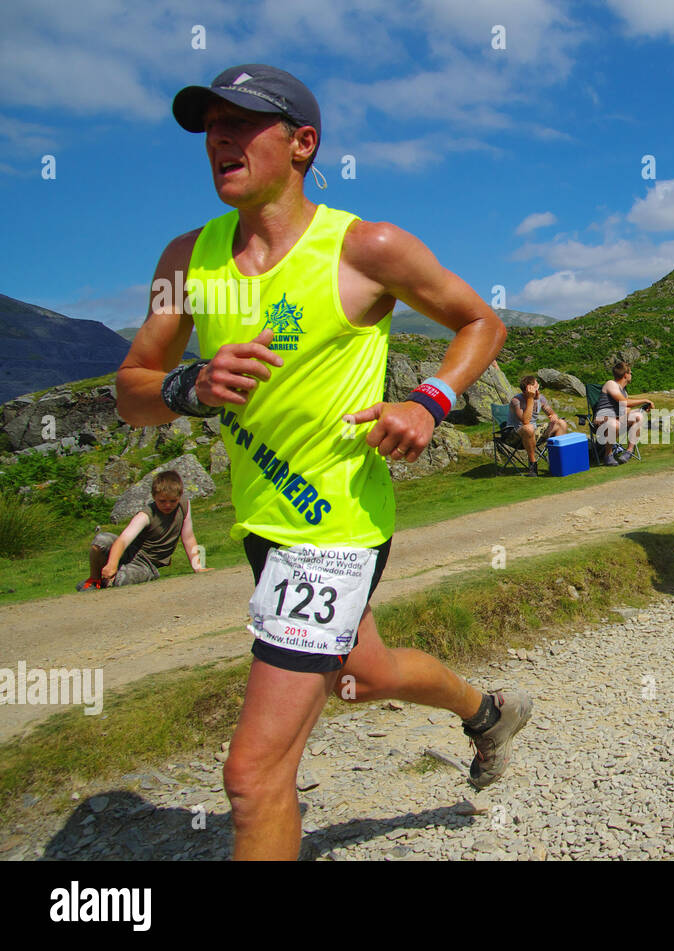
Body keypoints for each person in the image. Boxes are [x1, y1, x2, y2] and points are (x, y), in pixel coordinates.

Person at [117, 64, 531, 860]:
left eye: (242, 123)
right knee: (365, 674)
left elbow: (480, 321)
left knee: (253, 773)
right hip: (262, 524)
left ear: (302, 143)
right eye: (210, 125)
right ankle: (488, 711)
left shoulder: (363, 246)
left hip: (336, 528)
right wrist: (190, 384)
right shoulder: (184, 261)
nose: (219, 139)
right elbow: (132, 391)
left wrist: (429, 401)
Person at [77, 470, 208, 591]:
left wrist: (198, 567)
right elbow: (122, 540)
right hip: (130, 553)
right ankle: (94, 581)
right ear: (154, 496)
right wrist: (112, 563)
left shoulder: (184, 506)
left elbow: (189, 538)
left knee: (122, 580)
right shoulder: (145, 515)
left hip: (147, 564)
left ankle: (111, 577)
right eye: (162, 501)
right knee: (100, 540)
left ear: (180, 496)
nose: (168, 505)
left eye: (173, 501)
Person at [505, 374, 569, 476]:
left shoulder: (541, 398)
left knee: (561, 423)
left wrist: (553, 416)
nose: (538, 390)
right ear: (528, 390)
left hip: (533, 432)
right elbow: (525, 421)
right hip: (515, 435)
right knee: (528, 428)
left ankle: (557, 463)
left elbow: (551, 412)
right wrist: (530, 399)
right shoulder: (516, 401)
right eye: (536, 388)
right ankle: (532, 465)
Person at [593, 361, 653, 466]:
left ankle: (629, 452)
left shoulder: (624, 392)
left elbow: (625, 410)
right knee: (613, 424)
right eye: (631, 373)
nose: (631, 375)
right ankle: (608, 455)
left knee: (638, 416)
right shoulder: (611, 384)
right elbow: (624, 402)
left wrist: (641, 409)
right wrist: (645, 400)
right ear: (626, 375)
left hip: (616, 420)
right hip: (602, 422)